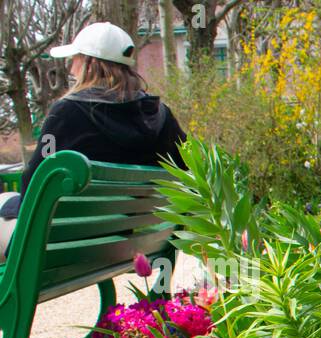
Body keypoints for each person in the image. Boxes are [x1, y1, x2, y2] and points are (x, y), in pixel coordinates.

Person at [0, 22, 187, 261]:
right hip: (125, 241)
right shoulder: (161, 116)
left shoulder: (65, 113)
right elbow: (186, 173)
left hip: (58, 244)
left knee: (5, 204)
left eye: (75, 58)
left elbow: (35, 179)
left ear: (89, 63)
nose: (71, 66)